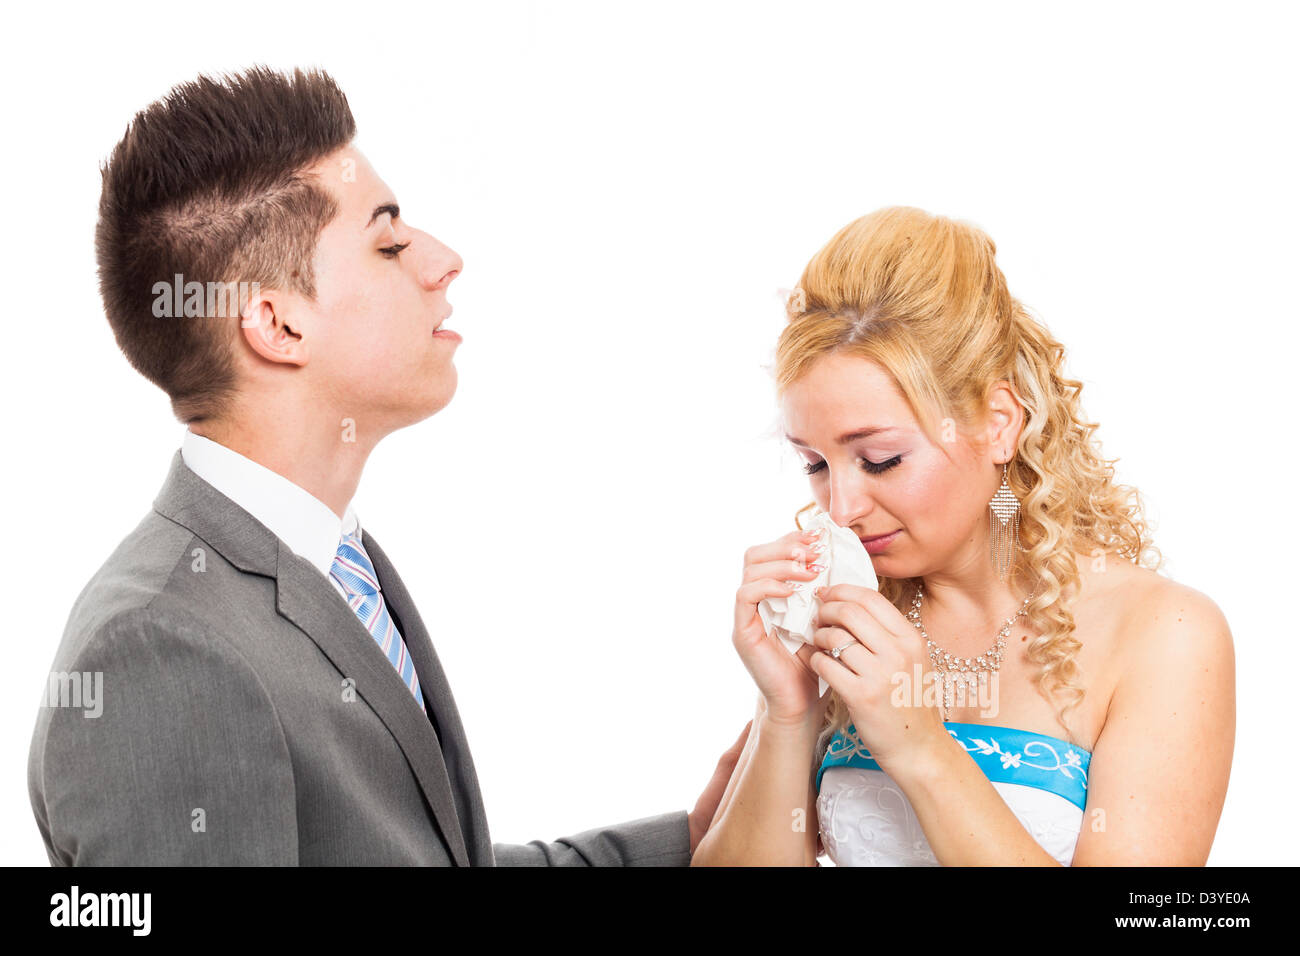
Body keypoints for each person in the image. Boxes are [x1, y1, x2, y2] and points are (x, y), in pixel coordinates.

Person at [27, 66, 745, 866]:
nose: (444, 260)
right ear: (278, 324)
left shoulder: (333, 559)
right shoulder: (160, 650)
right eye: (389, 242)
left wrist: (687, 845)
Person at [691, 207, 1235, 866]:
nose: (840, 508)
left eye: (882, 458)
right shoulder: (852, 614)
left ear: (1000, 424)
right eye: (815, 464)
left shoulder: (1163, 633)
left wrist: (920, 746)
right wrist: (787, 710)